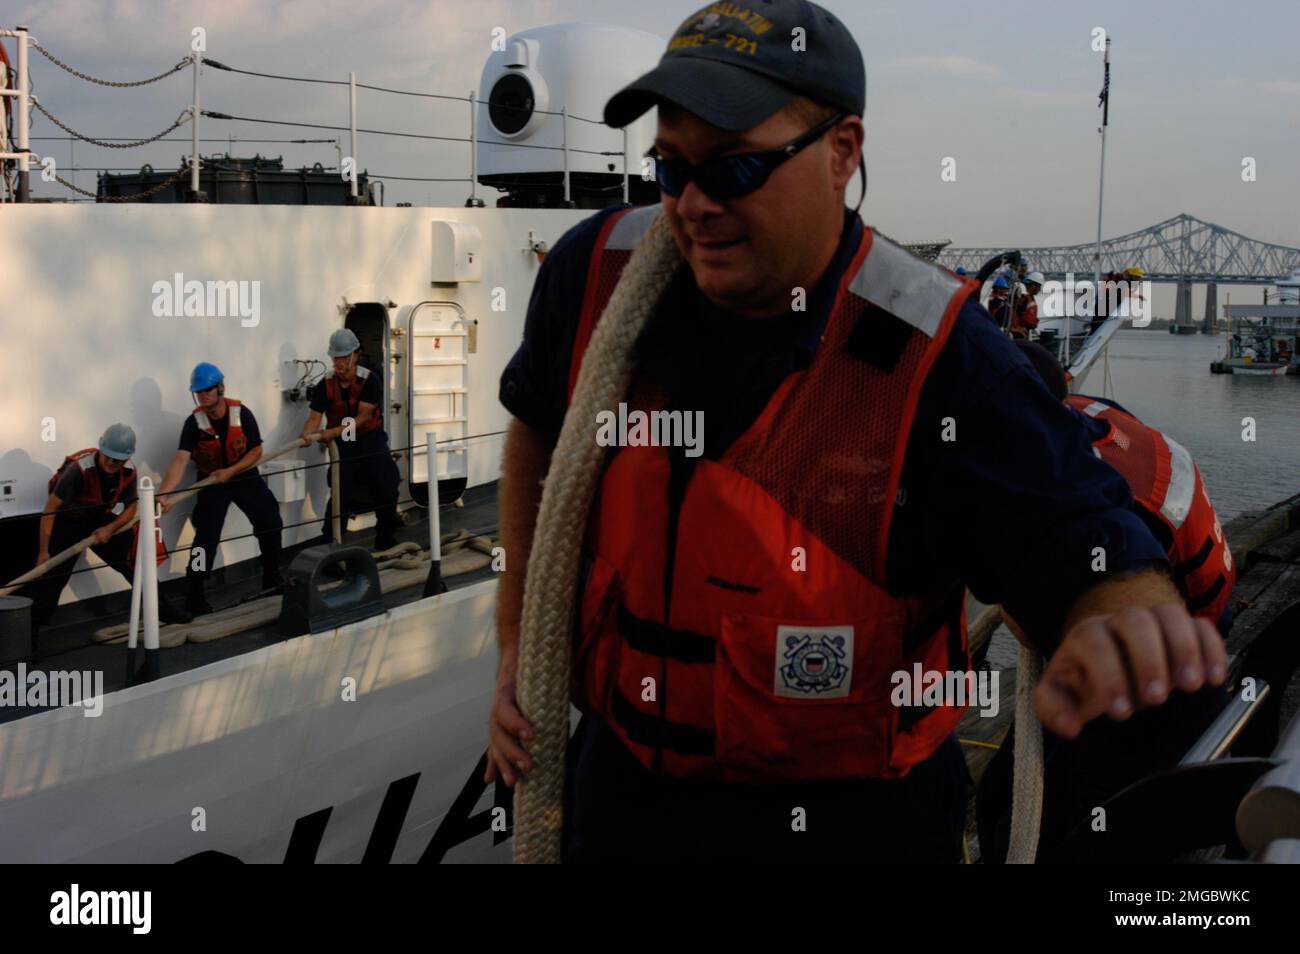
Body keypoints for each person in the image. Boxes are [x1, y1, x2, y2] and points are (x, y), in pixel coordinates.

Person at [489, 0, 1226, 864]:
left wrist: (1117, 620)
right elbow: (540, 429)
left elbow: (1081, 537)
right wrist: (517, 645)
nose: (691, 205)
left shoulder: (936, 361)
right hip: (624, 799)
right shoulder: (591, 275)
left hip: (850, 824)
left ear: (842, 153)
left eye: (733, 169)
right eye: (669, 166)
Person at [976, 341, 1235, 861]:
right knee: (1003, 796)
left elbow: (1033, 619)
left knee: (1062, 824)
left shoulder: (1102, 511)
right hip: (1195, 621)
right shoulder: (1092, 416)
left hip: (1158, 670)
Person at [24, 425, 189, 637]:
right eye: (109, 457)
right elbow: (50, 510)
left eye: (118, 460)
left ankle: (163, 609)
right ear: (101, 451)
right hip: (68, 522)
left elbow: (131, 507)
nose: (112, 463)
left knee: (134, 561)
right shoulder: (78, 471)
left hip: (99, 518)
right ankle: (30, 634)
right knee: (52, 578)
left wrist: (110, 529)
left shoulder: (128, 471)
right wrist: (44, 551)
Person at [157, 362, 283, 616]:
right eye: (199, 391)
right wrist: (163, 495)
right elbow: (181, 459)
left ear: (220, 388)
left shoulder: (241, 413)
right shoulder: (193, 423)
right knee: (206, 537)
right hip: (212, 482)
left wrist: (231, 471)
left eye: (207, 390)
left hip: (244, 475)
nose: (203, 395)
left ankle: (272, 575)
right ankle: (195, 592)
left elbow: (256, 450)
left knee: (270, 520)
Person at [299, 328, 401, 551]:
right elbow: (314, 418)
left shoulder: (370, 380)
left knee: (387, 485)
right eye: (336, 357)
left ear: (355, 356)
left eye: (344, 357)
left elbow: (363, 417)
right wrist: (307, 434)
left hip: (370, 439)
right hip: (344, 447)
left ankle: (385, 540)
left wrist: (330, 434)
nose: (339, 362)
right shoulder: (324, 386)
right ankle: (331, 547)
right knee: (339, 495)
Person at [1009, 270, 1043, 339]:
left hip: (1025, 332)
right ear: (1032, 285)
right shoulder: (1023, 297)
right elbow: (1014, 313)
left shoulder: (1029, 297)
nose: (1039, 289)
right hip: (1019, 333)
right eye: (1039, 286)